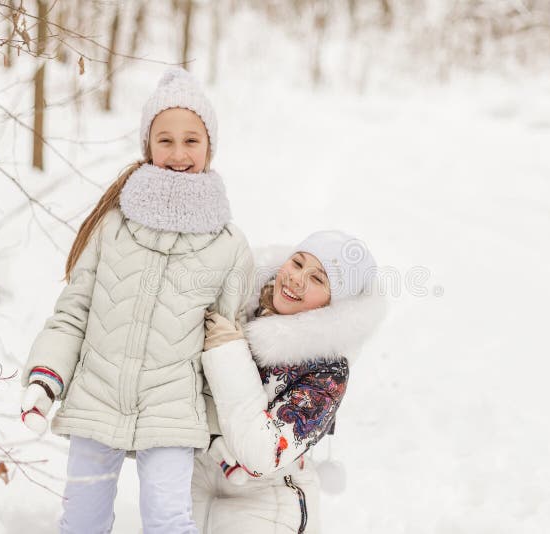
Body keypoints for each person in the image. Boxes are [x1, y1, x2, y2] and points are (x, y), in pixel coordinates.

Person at [19, 67, 253, 534]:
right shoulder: (113, 224)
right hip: (96, 395)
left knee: (168, 519)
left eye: (192, 140)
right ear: (147, 146)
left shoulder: (227, 245)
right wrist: (46, 379)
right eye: (165, 140)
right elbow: (74, 312)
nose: (179, 153)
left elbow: (225, 351)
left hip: (172, 408)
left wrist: (224, 435)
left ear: (210, 147)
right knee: (82, 520)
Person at [193, 231, 385, 533]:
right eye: (297, 263)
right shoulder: (237, 310)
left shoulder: (328, 372)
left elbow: (260, 454)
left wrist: (226, 352)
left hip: (267, 504)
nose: (296, 279)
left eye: (318, 279)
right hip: (192, 483)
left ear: (333, 305)